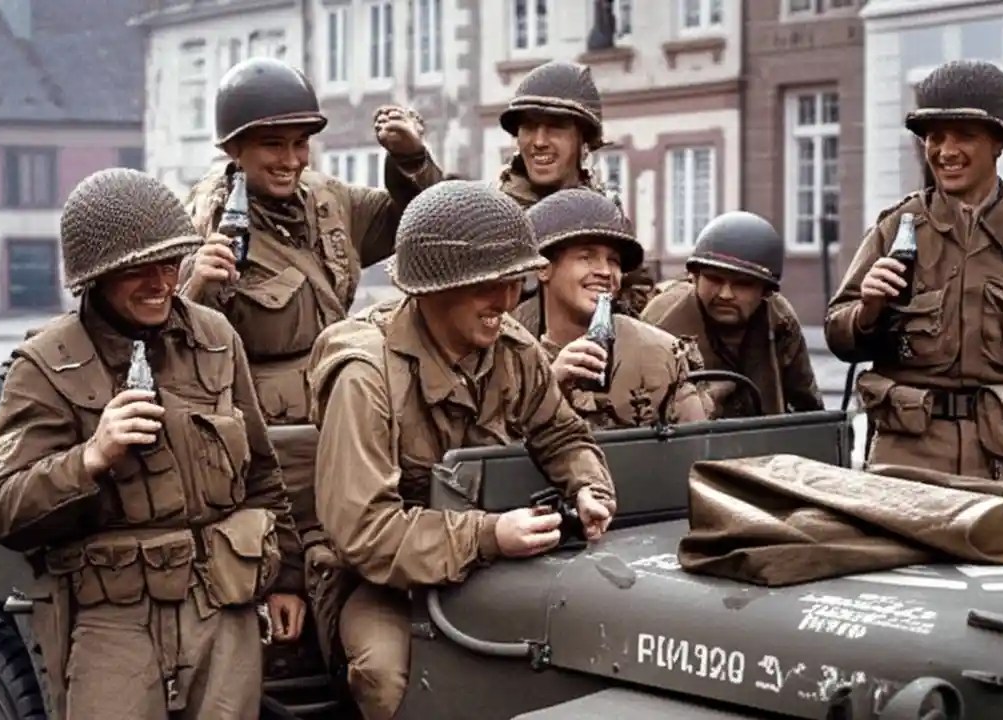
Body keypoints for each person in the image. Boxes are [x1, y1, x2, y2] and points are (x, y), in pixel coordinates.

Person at [0, 168, 304, 719]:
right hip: (114, 616)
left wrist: (287, 579)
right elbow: (3, 507)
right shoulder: (46, 364)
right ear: (96, 278)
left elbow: (261, 475)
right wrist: (91, 457)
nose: (161, 283)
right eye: (138, 271)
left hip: (221, 606)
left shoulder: (215, 338)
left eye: (170, 264)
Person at [305, 181, 617, 719]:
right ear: (431, 290)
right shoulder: (366, 374)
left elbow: (561, 433)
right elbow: (362, 532)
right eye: (485, 287)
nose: (505, 301)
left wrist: (588, 486)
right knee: (388, 674)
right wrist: (490, 535)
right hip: (378, 580)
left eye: (513, 282)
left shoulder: (514, 352)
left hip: (491, 562)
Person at [176, 57, 444, 610]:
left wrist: (410, 158)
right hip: (273, 444)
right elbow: (171, 346)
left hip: (349, 408)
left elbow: (418, 227)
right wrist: (195, 286)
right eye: (274, 146)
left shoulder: (327, 200)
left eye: (301, 144)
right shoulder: (206, 227)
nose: (292, 160)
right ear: (235, 149)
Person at [825, 59, 1003, 494]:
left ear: (999, 143)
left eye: (965, 136)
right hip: (907, 466)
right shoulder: (897, 228)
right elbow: (840, 338)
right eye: (935, 137)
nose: (946, 151)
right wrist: (866, 312)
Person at [520, 188, 710, 427]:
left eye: (614, 260)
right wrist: (549, 388)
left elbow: (699, 448)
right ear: (543, 268)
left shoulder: (661, 354)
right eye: (586, 257)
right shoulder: (510, 358)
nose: (605, 271)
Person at [494, 59, 658, 321]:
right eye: (528, 127)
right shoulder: (491, 215)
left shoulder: (608, 218)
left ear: (584, 141)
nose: (538, 141)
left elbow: (635, 304)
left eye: (555, 127)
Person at [641, 211, 823, 419]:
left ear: (765, 291)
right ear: (695, 277)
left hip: (761, 438)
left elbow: (807, 404)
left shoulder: (779, 319)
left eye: (743, 284)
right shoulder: (661, 319)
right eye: (714, 279)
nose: (725, 294)